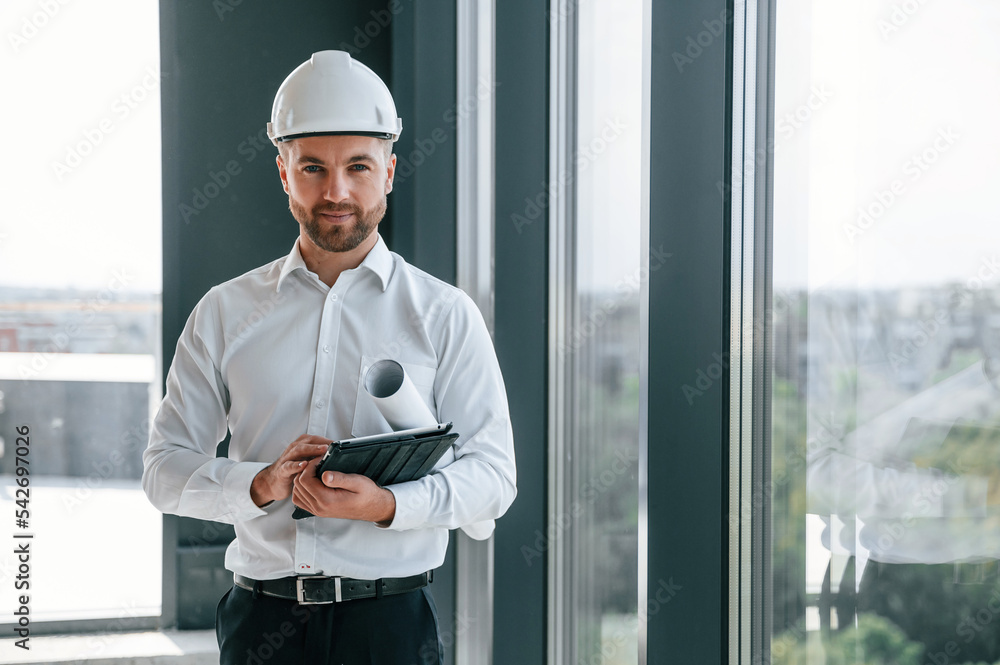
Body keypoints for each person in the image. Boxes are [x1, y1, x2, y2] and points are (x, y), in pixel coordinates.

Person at [142, 50, 517, 664]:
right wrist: (258, 485)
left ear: (390, 172)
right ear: (285, 173)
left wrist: (389, 506)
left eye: (358, 167)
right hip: (258, 625)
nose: (336, 191)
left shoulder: (446, 315)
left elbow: (494, 478)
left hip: (388, 629)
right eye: (313, 167)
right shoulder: (224, 312)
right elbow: (164, 470)